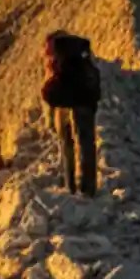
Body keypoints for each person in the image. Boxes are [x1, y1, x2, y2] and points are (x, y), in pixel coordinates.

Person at [41, 30, 101, 196]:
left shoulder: (60, 61)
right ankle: (86, 188)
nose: (45, 53)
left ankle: (74, 188)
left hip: (66, 104)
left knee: (68, 146)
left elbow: (50, 88)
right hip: (83, 103)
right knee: (85, 145)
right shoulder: (81, 59)